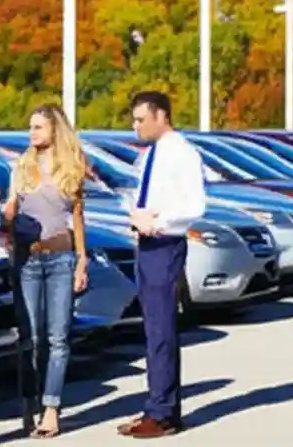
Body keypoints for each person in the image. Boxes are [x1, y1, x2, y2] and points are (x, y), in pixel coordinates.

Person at [117, 90, 207, 439]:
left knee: (161, 330)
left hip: (164, 244)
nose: (135, 126)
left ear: (161, 116)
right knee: (153, 328)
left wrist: (159, 221)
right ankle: (157, 405)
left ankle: (164, 413)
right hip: (148, 243)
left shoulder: (181, 153)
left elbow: (195, 204)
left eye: (141, 119)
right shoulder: (152, 154)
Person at [1, 104, 89, 438]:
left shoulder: (72, 168)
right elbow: (7, 217)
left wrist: (82, 259)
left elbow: (78, 218)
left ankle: (51, 408)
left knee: (58, 337)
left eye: (38, 127)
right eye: (30, 127)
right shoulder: (21, 167)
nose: (32, 133)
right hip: (27, 259)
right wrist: (7, 216)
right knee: (30, 338)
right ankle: (29, 402)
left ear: (55, 130)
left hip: (61, 257)